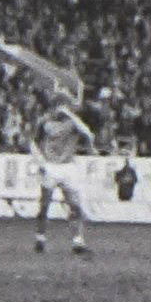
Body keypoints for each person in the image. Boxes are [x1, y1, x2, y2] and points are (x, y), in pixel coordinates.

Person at [29, 84, 97, 255]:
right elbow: (33, 142)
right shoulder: (45, 121)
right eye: (59, 104)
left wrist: (71, 116)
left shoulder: (73, 123)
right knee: (45, 204)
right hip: (51, 166)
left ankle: (77, 240)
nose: (61, 108)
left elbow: (88, 134)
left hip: (68, 166)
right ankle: (40, 237)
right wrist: (41, 162)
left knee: (74, 204)